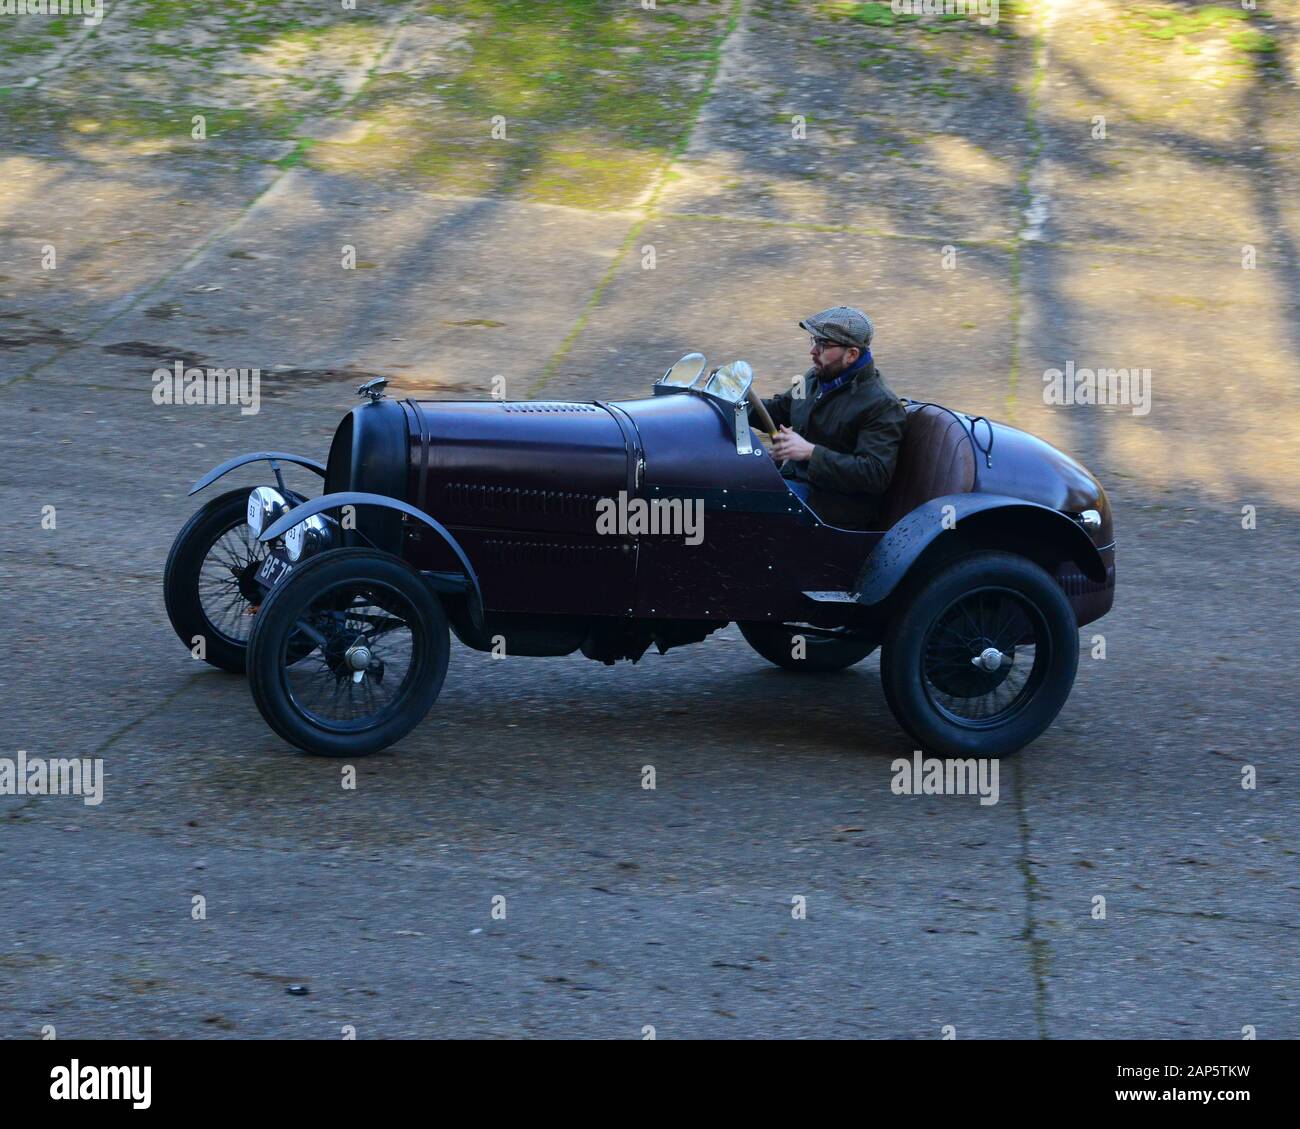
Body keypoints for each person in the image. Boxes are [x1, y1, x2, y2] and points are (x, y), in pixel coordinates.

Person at [751, 306, 907, 529]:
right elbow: (778, 410)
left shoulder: (881, 404)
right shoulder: (817, 378)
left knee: (744, 506)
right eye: (815, 340)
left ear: (852, 354)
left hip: (835, 506)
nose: (813, 351)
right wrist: (730, 399)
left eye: (824, 344)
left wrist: (809, 453)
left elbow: (875, 474)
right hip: (796, 483)